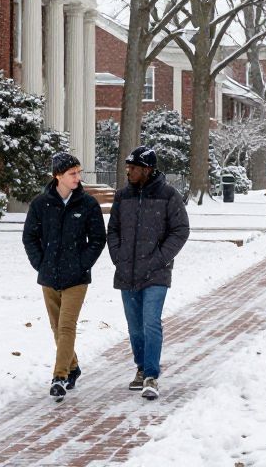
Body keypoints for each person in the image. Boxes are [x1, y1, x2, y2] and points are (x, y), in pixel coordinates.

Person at [107, 146, 191, 401]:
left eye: (133, 168)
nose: (129, 172)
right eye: (128, 168)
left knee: (151, 321)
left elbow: (181, 230)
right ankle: (141, 367)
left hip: (156, 273)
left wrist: (160, 258)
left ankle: (152, 374)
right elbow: (113, 231)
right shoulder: (122, 197)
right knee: (135, 327)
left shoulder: (169, 196)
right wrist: (119, 258)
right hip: (127, 272)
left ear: (147, 170)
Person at [22, 152, 106, 400]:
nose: (78, 177)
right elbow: (29, 237)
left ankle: (59, 376)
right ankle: (73, 367)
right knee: (56, 328)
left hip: (76, 279)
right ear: (57, 176)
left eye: (79, 173)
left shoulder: (88, 204)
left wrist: (82, 264)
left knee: (67, 326)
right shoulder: (40, 204)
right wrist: (41, 264)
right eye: (72, 173)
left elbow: (98, 239)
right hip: (49, 277)